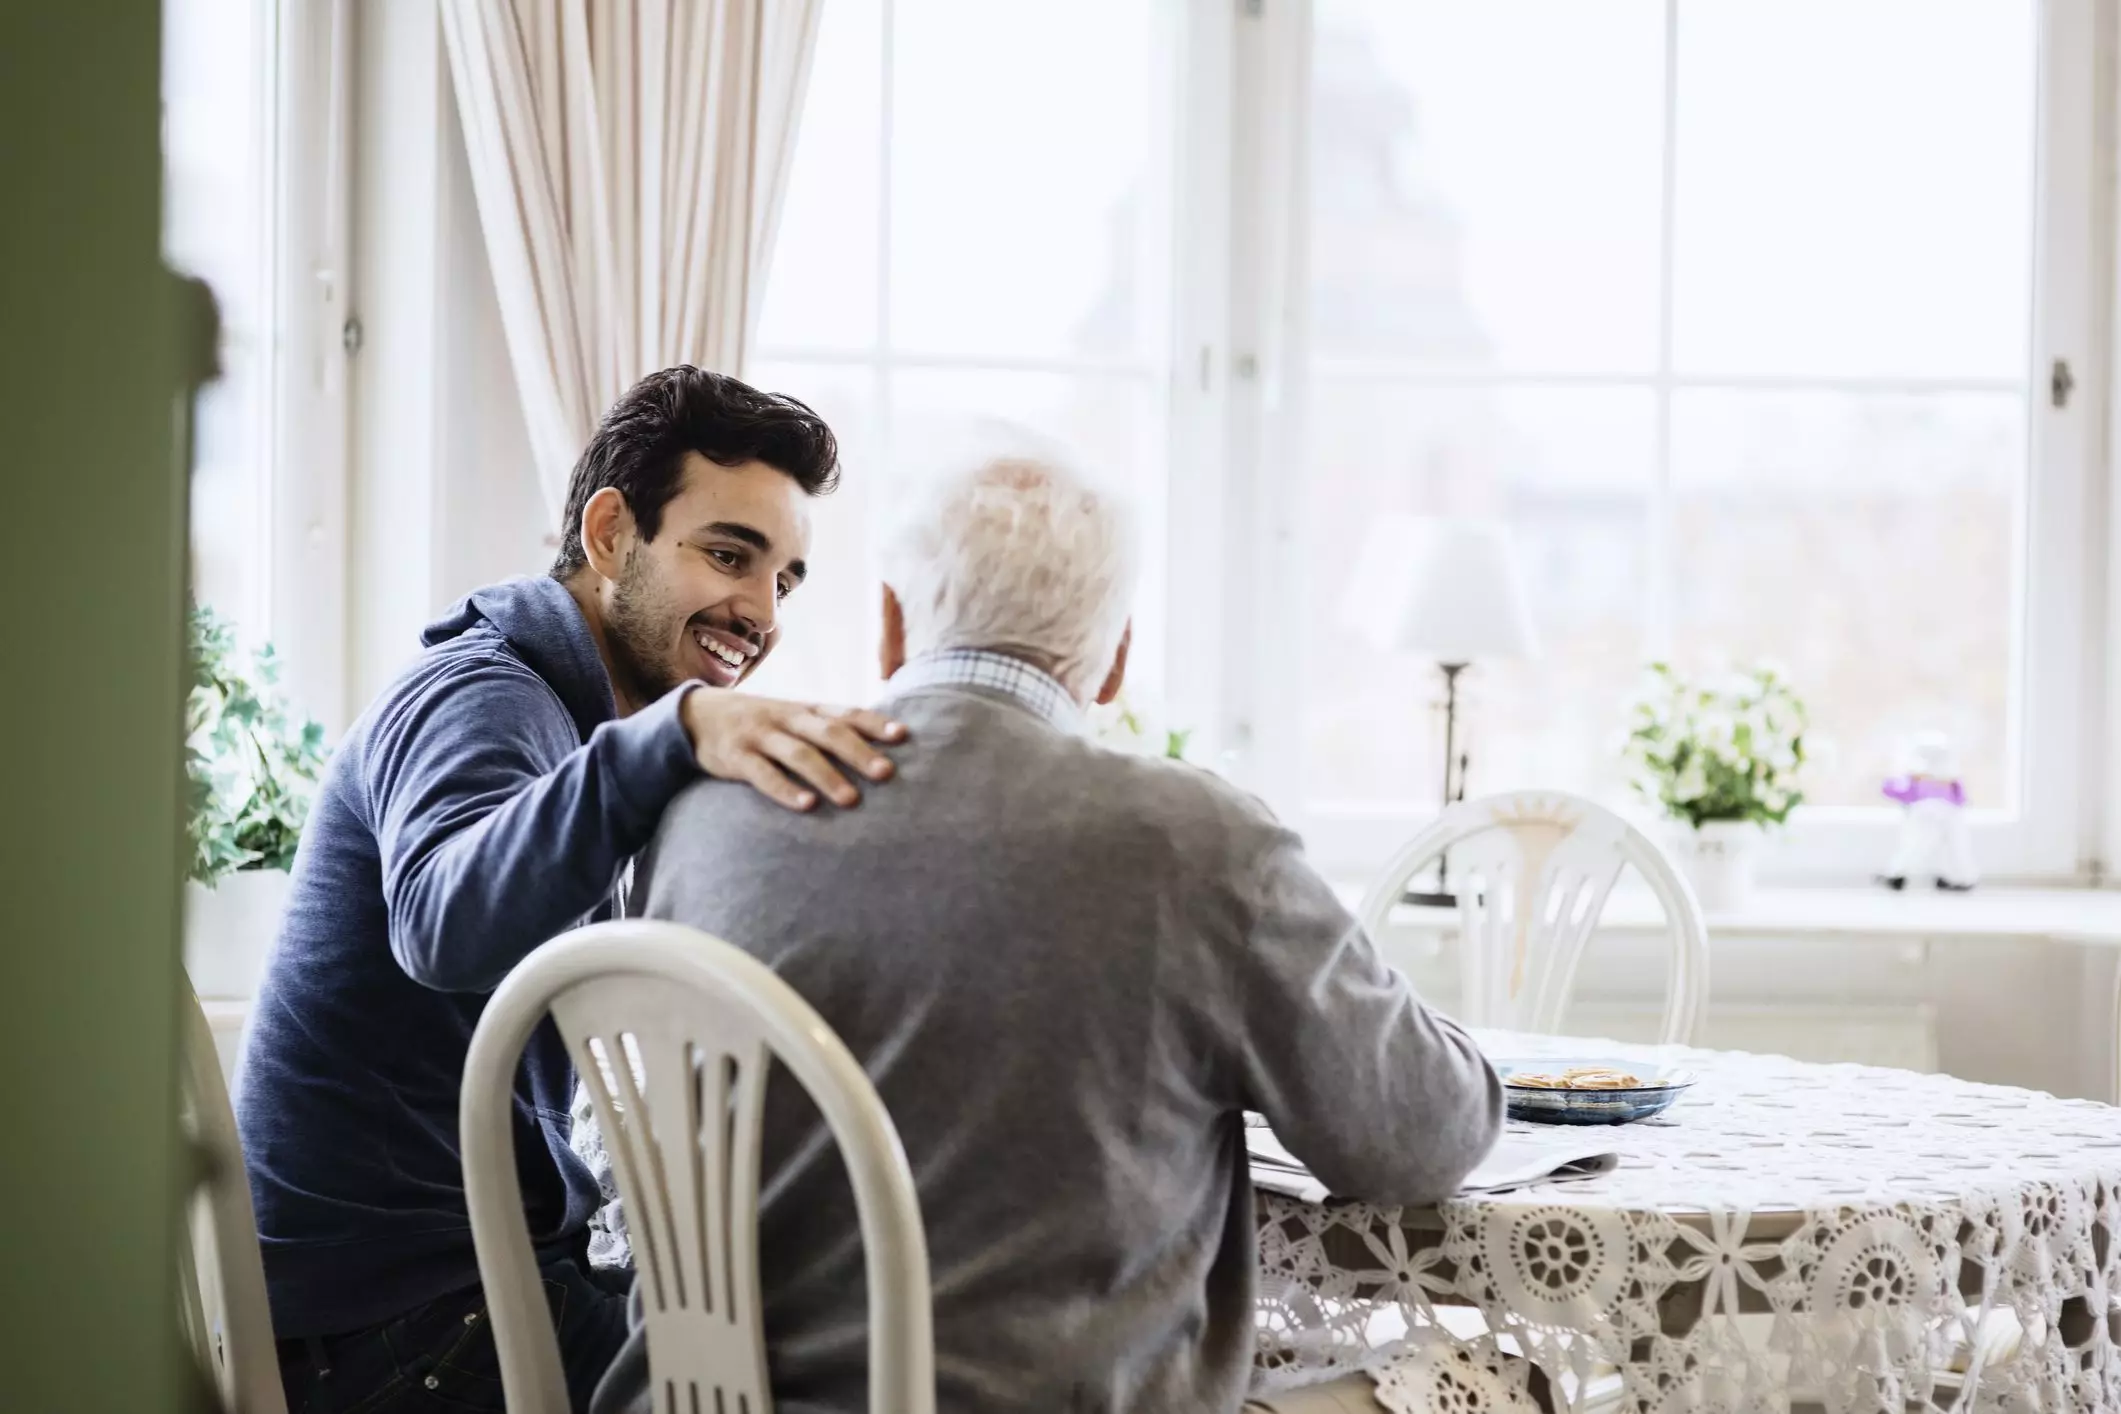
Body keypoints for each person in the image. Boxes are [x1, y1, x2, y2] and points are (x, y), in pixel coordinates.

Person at [592, 448, 1504, 1414]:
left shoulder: (702, 813)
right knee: (1492, 1380)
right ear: (1113, 659)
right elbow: (1417, 1141)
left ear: (892, 626)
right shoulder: (1198, 841)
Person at [237, 366, 909, 1414]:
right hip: (394, 1325)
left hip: (414, 1295)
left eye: (785, 579)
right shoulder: (484, 692)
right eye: (729, 555)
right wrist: (672, 737)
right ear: (609, 533)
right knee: (792, 1383)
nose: (759, 610)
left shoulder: (561, 708)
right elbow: (442, 923)